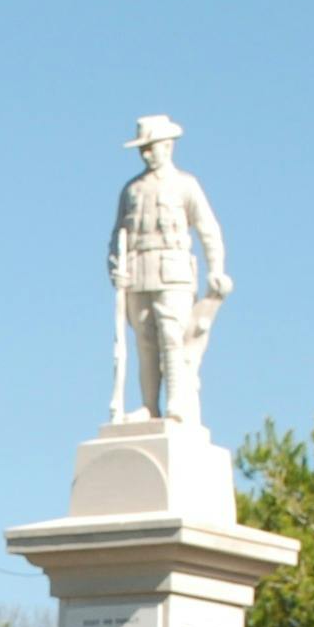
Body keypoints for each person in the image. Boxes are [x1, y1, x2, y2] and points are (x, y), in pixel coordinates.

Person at [107, 114, 230, 422]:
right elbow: (117, 235)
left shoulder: (185, 185)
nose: (147, 154)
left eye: (152, 147)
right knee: (145, 342)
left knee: (172, 336)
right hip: (138, 273)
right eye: (143, 149)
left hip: (173, 273)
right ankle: (150, 405)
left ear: (168, 145)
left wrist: (216, 268)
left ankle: (177, 401)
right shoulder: (131, 190)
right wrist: (115, 269)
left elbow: (208, 229)